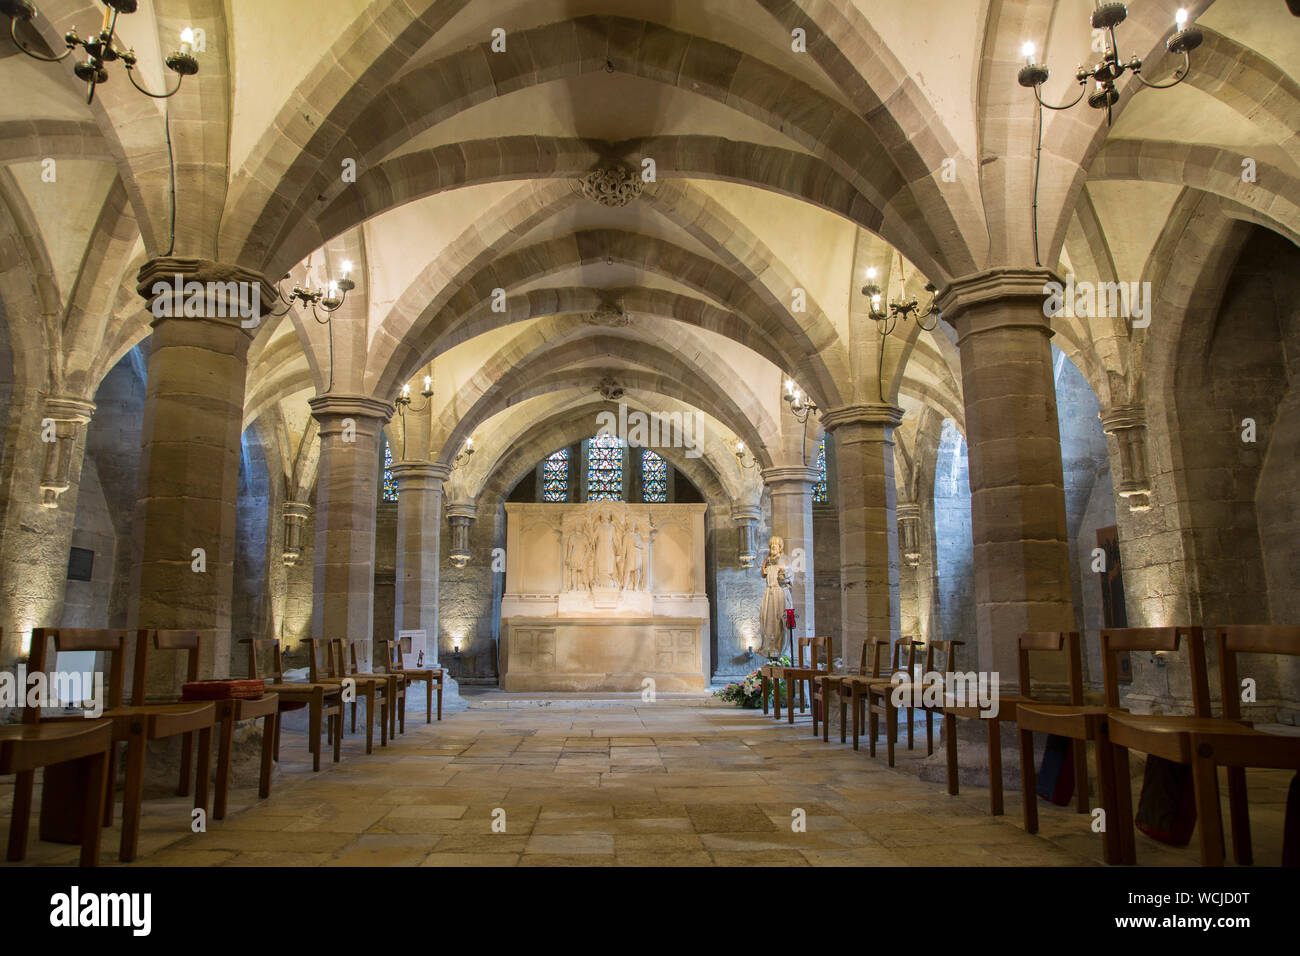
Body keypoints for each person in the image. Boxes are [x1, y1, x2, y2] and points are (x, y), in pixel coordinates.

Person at [758, 535, 794, 657]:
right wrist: (764, 567)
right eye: (771, 544)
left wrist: (783, 575)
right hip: (769, 593)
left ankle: (780, 647)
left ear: (780, 547)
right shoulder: (767, 560)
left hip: (779, 593)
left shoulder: (785, 559)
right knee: (767, 620)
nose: (773, 546)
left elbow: (788, 578)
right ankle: (768, 646)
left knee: (779, 619)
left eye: (776, 544)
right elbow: (763, 574)